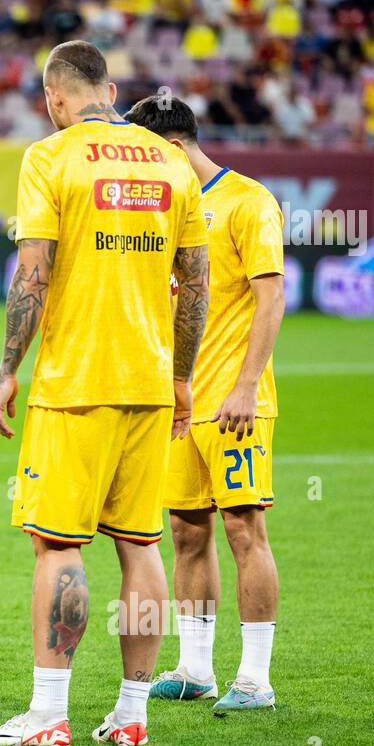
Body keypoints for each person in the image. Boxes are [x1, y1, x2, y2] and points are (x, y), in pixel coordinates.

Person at [0, 41, 209, 746]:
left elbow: (33, 273)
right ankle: (132, 712)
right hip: (150, 380)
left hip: (77, 382)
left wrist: (9, 366)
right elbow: (194, 281)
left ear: (54, 98)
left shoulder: (51, 157)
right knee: (140, 546)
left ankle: (49, 714)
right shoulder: (170, 161)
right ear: (112, 88)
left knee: (58, 545)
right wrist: (183, 375)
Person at [125, 95, 284, 713]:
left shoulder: (248, 201)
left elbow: (270, 299)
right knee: (187, 533)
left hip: (235, 404)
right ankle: (195, 668)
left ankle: (255, 678)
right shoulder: (166, 210)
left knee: (246, 529)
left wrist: (245, 385)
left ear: (169, 146)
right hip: (178, 406)